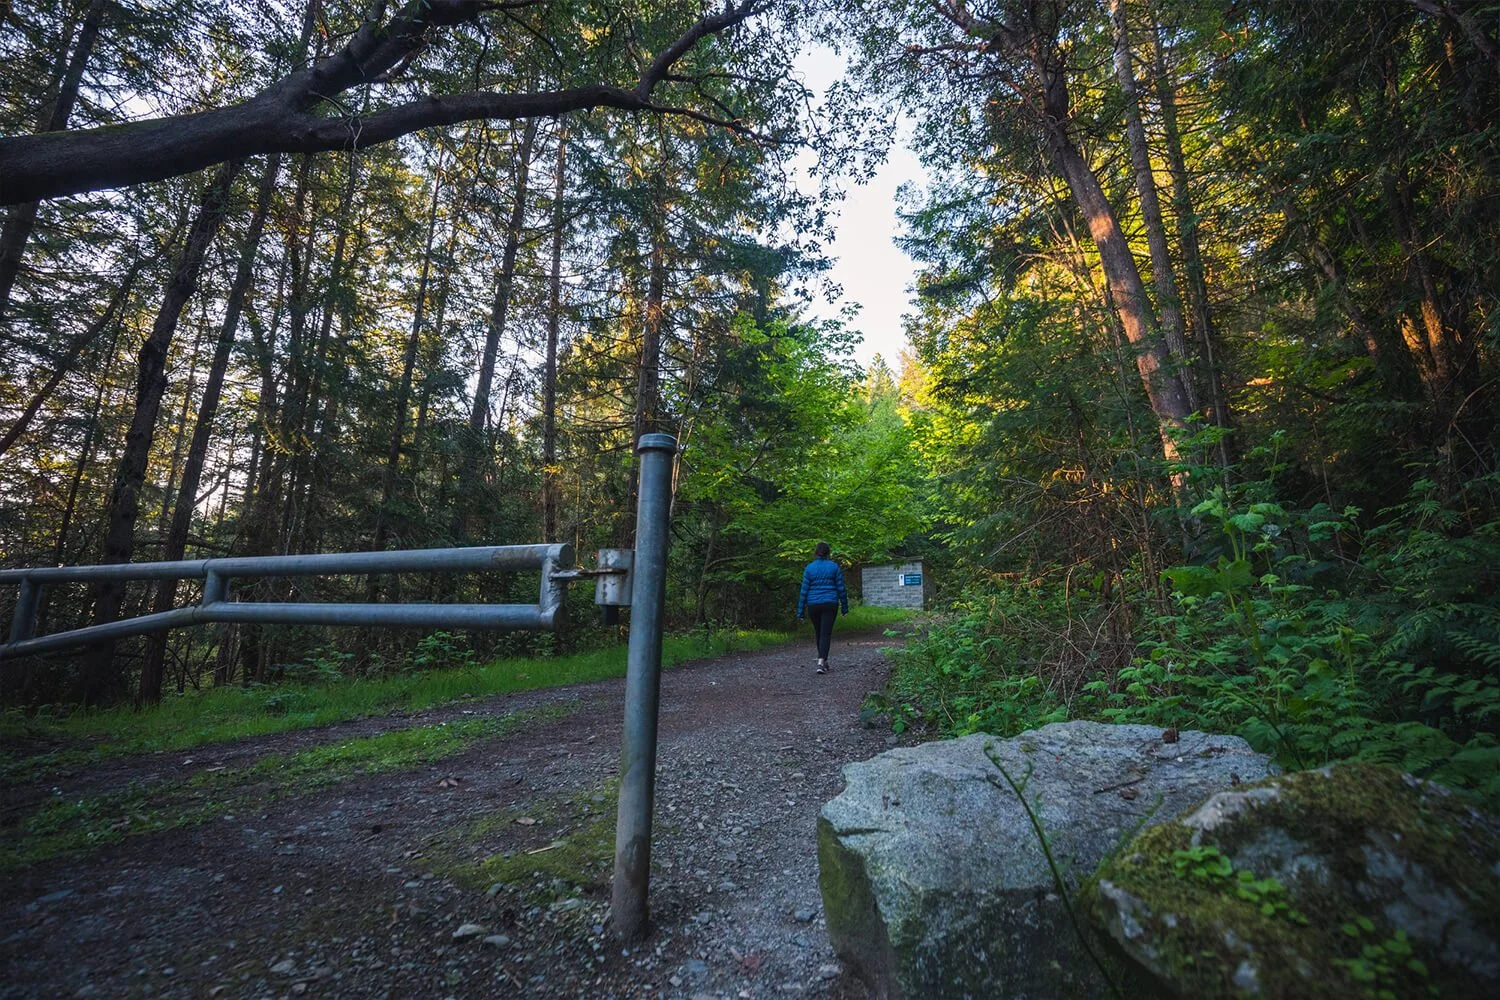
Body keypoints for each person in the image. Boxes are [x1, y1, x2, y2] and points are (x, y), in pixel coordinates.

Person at [796, 541, 848, 674]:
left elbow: (804, 591)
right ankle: (821, 661)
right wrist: (844, 607)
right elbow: (841, 589)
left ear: (816, 552)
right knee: (826, 633)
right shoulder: (834, 567)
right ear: (828, 553)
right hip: (830, 603)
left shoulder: (809, 568)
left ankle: (822, 660)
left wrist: (800, 611)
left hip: (813, 604)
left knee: (819, 632)